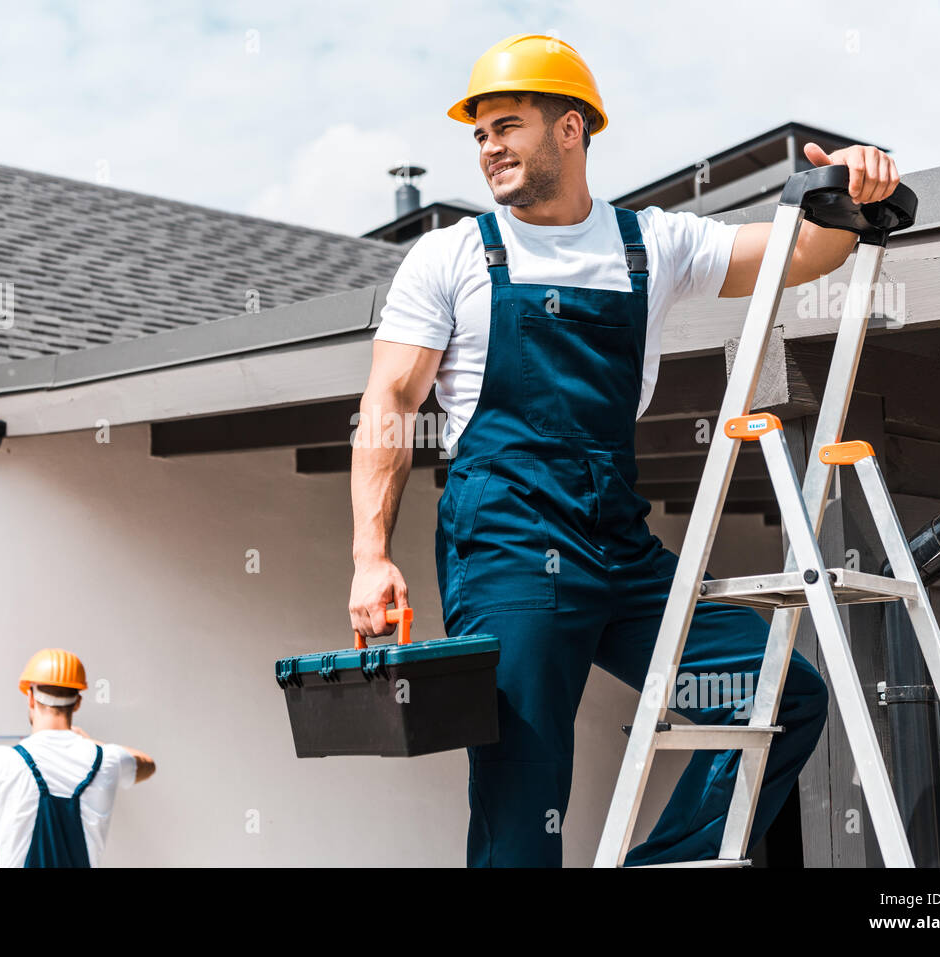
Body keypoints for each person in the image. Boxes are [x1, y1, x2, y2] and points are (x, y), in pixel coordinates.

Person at [348, 33, 901, 866]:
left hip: (615, 544)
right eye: (479, 133)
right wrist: (368, 555)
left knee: (777, 693)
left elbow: (801, 253)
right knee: (523, 792)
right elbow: (389, 401)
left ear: (571, 129)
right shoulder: (454, 255)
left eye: (508, 125)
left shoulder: (651, 244)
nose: (489, 147)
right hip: (504, 543)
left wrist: (853, 189)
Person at [0, 648, 155, 867]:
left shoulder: (0, 762)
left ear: (30, 697)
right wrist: (92, 743)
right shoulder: (107, 761)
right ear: (77, 702)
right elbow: (146, 764)